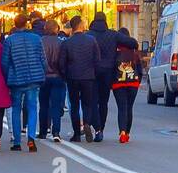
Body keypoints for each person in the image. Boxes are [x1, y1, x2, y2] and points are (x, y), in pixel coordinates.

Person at [0, 12, 47, 152]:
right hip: (34, 78)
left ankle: (17, 141)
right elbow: (43, 59)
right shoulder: (36, 38)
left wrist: (7, 77)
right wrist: (42, 72)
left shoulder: (9, 40)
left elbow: (4, 62)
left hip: (16, 79)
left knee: (16, 108)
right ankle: (31, 137)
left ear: (14, 24)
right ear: (26, 24)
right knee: (32, 107)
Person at [60, 14, 101, 143]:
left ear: (72, 27)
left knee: (74, 105)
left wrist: (65, 75)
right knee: (87, 103)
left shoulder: (67, 43)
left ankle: (77, 134)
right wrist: (94, 73)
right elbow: (97, 59)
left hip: (72, 77)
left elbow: (62, 63)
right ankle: (87, 122)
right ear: (81, 25)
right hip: (88, 77)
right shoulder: (91, 40)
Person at [88, 13, 119, 140]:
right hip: (108, 72)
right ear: (105, 20)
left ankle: (96, 127)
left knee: (93, 101)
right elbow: (132, 42)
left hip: (93, 71)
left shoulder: (88, 35)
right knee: (103, 102)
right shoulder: (113, 34)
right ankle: (101, 128)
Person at [38, 18, 67, 142]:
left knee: (43, 105)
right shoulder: (61, 42)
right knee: (56, 105)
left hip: (43, 77)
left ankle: (43, 131)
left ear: (45, 29)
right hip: (57, 76)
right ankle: (56, 132)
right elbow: (63, 61)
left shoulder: (40, 41)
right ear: (56, 29)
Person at [112, 27, 142, 142]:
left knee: (122, 108)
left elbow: (112, 69)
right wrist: (138, 81)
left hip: (118, 84)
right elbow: (140, 70)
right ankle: (128, 133)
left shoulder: (115, 52)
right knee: (129, 108)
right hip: (133, 84)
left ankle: (122, 132)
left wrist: (111, 82)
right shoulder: (134, 53)